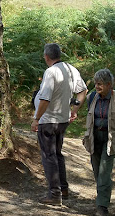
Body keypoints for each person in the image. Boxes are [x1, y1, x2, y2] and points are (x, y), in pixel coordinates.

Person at [31, 43, 87, 206]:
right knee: (57, 154)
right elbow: (83, 91)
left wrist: (36, 118)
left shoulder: (51, 72)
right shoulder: (71, 69)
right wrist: (74, 110)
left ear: (46, 57)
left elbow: (45, 99)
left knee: (49, 156)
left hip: (48, 121)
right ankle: (63, 189)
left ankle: (55, 194)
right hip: (62, 120)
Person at [82, 68, 115, 216]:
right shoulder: (91, 98)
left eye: (100, 84)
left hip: (111, 139)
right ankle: (102, 196)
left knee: (104, 170)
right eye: (96, 84)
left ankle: (102, 207)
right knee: (97, 170)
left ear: (109, 85)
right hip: (94, 137)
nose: (97, 87)